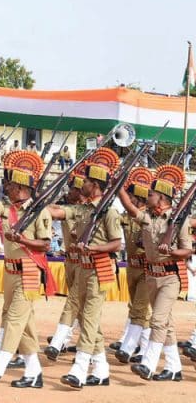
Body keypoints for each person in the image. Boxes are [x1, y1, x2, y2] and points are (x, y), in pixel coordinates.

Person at [0, 149, 54, 389]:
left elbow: (45, 245)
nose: (6, 188)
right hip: (10, 272)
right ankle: (34, 372)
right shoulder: (9, 209)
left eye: (10, 185)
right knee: (22, 324)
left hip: (28, 271)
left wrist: (22, 240)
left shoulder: (40, 212)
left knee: (14, 321)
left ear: (21, 187)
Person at [119, 165, 192, 381]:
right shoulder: (149, 217)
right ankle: (174, 367)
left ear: (161, 197)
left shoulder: (179, 220)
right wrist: (118, 187)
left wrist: (171, 251)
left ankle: (148, 364)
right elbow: (131, 209)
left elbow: (186, 250)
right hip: (151, 276)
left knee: (158, 321)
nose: (146, 196)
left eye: (150, 194)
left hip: (170, 278)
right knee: (166, 324)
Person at [58, 148, 122, 389]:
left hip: (99, 269)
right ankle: (102, 368)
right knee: (87, 319)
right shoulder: (86, 209)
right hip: (83, 269)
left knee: (90, 318)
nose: (81, 184)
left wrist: (93, 250)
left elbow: (117, 243)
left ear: (94, 185)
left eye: (85, 181)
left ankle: (80, 368)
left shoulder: (110, 212)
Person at [43, 169, 89, 360]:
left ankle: (61, 341)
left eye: (72, 188)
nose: (68, 191)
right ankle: (70, 340)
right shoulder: (68, 207)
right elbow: (48, 207)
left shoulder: (85, 211)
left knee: (75, 301)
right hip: (70, 260)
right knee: (79, 304)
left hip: (84, 262)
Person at [111, 168, 154, 364]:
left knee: (140, 308)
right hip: (132, 267)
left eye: (131, 196)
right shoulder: (127, 217)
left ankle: (127, 347)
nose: (128, 198)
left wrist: (117, 185)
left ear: (138, 199)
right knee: (138, 309)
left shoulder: (149, 217)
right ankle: (144, 350)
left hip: (147, 268)